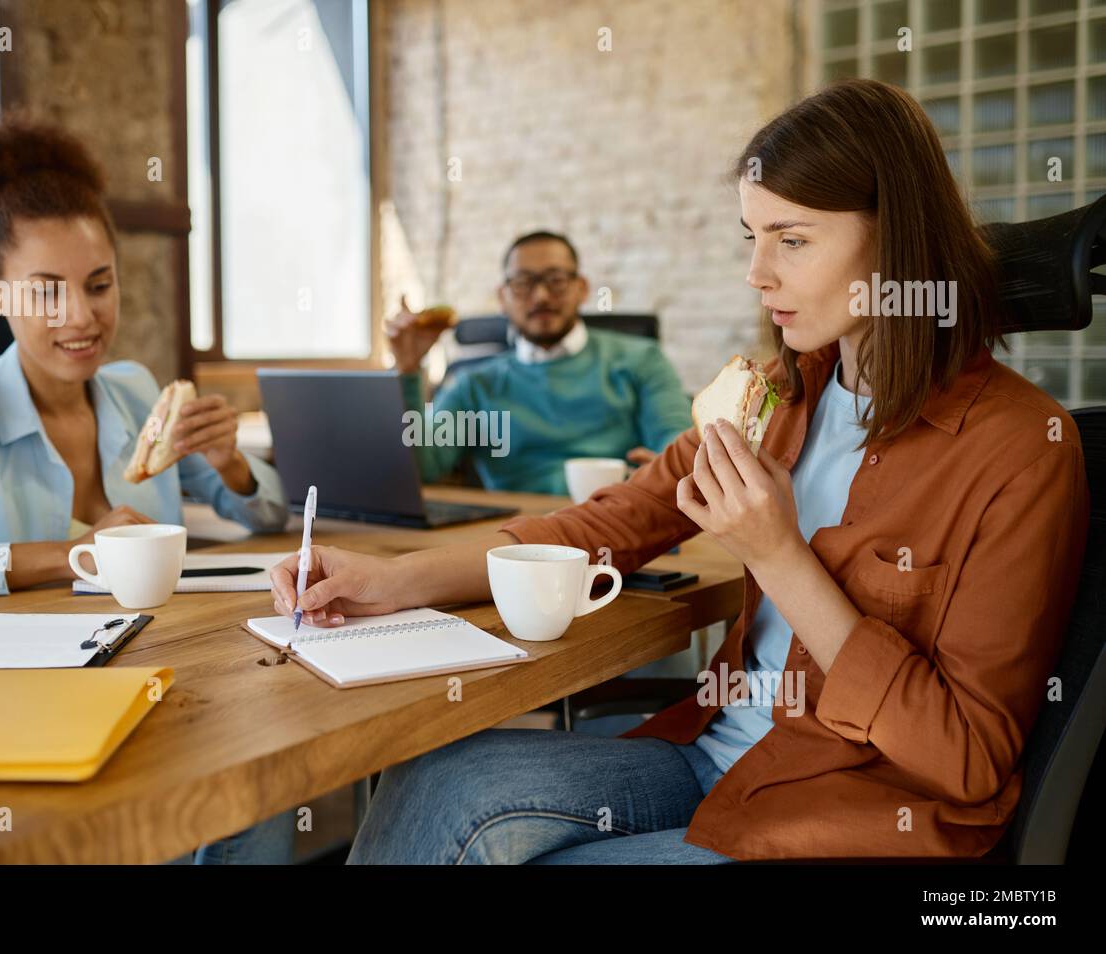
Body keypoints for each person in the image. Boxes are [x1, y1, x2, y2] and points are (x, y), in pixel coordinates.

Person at [269, 79, 1090, 863]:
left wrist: (777, 555)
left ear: (897, 237)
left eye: (793, 240)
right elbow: (605, 526)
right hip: (717, 750)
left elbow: (970, 757)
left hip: (850, 810)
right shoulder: (779, 398)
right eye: (753, 237)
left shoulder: (1021, 448)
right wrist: (391, 582)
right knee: (436, 780)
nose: (757, 273)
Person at [0, 115, 293, 864]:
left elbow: (264, 513)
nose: (80, 317)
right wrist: (67, 556)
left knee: (259, 782)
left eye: (99, 285)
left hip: (167, 687)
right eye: (46, 291)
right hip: (11, 719)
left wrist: (229, 462)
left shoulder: (134, 392)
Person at [387, 231, 693, 494]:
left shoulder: (642, 359)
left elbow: (675, 441)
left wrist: (669, 469)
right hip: (509, 539)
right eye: (523, 283)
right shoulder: (475, 384)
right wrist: (408, 371)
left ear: (581, 288)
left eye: (556, 280)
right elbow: (420, 470)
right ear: (503, 296)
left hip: (615, 520)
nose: (541, 296)